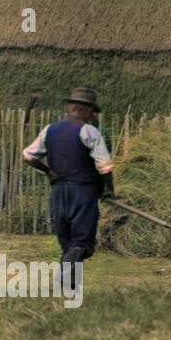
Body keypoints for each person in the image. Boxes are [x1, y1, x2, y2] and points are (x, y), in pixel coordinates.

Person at [22, 87, 114, 287]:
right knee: (81, 242)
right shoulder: (89, 131)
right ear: (84, 110)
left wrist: (48, 171)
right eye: (92, 112)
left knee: (67, 243)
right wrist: (109, 191)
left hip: (58, 192)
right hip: (83, 191)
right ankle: (63, 279)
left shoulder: (50, 130)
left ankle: (70, 287)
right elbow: (105, 165)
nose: (92, 116)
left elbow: (28, 155)